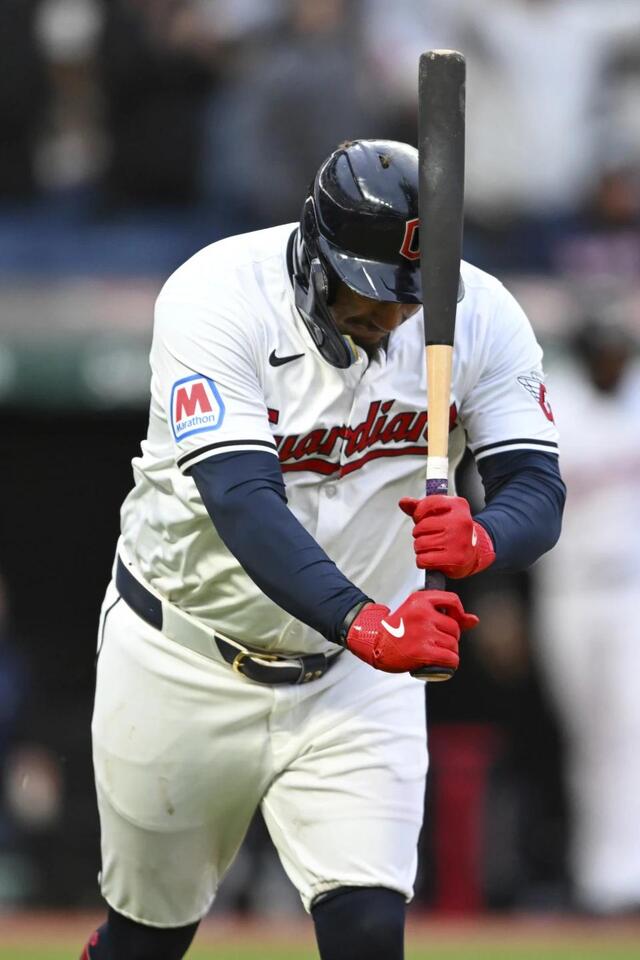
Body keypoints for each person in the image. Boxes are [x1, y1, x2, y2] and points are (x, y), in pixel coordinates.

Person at [80, 139, 565, 960]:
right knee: (147, 945)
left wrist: (485, 536)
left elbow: (537, 489)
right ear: (315, 252)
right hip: (187, 648)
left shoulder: (477, 311)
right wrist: (368, 622)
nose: (391, 320)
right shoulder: (216, 295)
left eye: (409, 301)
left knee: (369, 933)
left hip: (353, 684)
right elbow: (243, 502)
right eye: (369, 295)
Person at [533, 318, 640, 914]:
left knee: (630, 728)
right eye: (604, 355)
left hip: (631, 588)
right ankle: (596, 877)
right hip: (567, 589)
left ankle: (622, 878)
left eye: (620, 355)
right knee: (583, 734)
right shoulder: (556, 408)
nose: (614, 366)